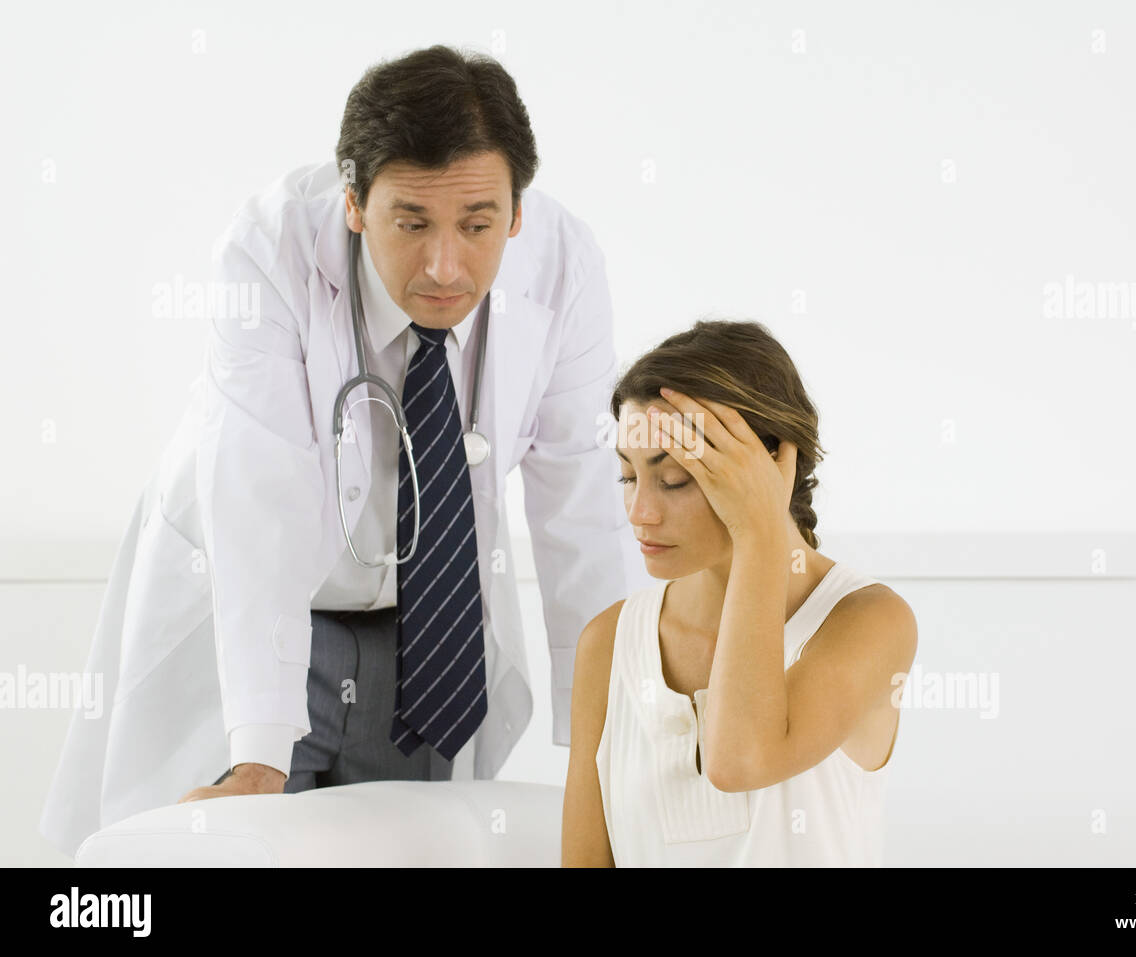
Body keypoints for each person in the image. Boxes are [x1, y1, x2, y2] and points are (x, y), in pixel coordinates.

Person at [39, 44, 652, 858]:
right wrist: (258, 749)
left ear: (515, 211)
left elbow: (583, 510)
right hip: (266, 611)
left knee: (406, 852)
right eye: (411, 223)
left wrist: (611, 747)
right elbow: (258, 493)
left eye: (477, 225)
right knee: (233, 845)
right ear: (355, 199)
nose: (445, 265)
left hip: (425, 622)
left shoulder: (565, 268)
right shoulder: (270, 249)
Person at [561, 319, 918, 866]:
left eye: (675, 479)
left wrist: (759, 532)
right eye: (628, 477)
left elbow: (740, 760)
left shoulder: (869, 621)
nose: (640, 512)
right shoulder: (609, 642)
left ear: (777, 462)